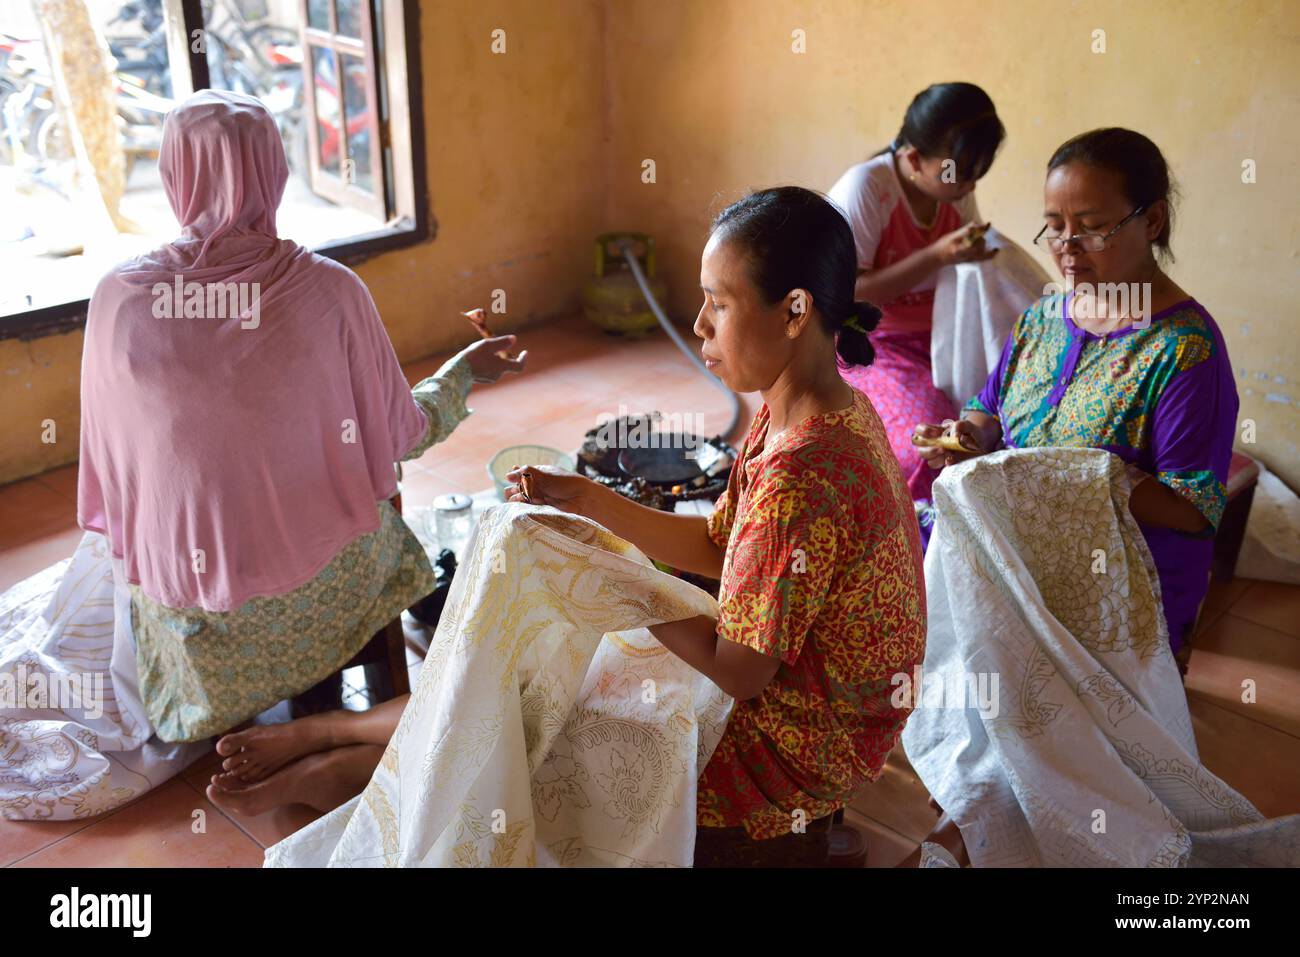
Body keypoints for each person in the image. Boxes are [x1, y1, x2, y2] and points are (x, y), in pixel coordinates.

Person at [206, 187, 929, 869]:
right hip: (783, 675)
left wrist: (627, 586)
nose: (700, 324)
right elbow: (719, 545)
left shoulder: (808, 473)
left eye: (718, 304)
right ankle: (335, 734)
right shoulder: (807, 404)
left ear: (794, 311)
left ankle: (340, 762)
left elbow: (740, 672)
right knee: (542, 661)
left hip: (797, 741)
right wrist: (586, 501)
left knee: (554, 708)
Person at [77, 90, 523, 747]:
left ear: (176, 173)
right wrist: (465, 371)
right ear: (275, 173)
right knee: (378, 483)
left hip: (204, 635)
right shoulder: (333, 291)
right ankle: (347, 700)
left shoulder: (120, 303)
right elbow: (404, 434)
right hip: (333, 599)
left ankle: (250, 712)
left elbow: (117, 475)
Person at [914, 126, 1238, 661]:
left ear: (1151, 220)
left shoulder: (1183, 350)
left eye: (1091, 229)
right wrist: (965, 436)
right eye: (1054, 227)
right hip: (1017, 541)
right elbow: (988, 407)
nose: (1066, 249)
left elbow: (1192, 508)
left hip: (1113, 579)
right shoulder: (1042, 318)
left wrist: (1060, 479)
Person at [828, 82, 1004, 503]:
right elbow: (844, 296)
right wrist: (935, 256)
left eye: (978, 174)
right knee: (933, 446)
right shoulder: (869, 189)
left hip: (942, 337)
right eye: (962, 173)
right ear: (912, 158)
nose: (970, 187)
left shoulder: (955, 192)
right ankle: (911, 541)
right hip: (873, 341)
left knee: (1005, 419)